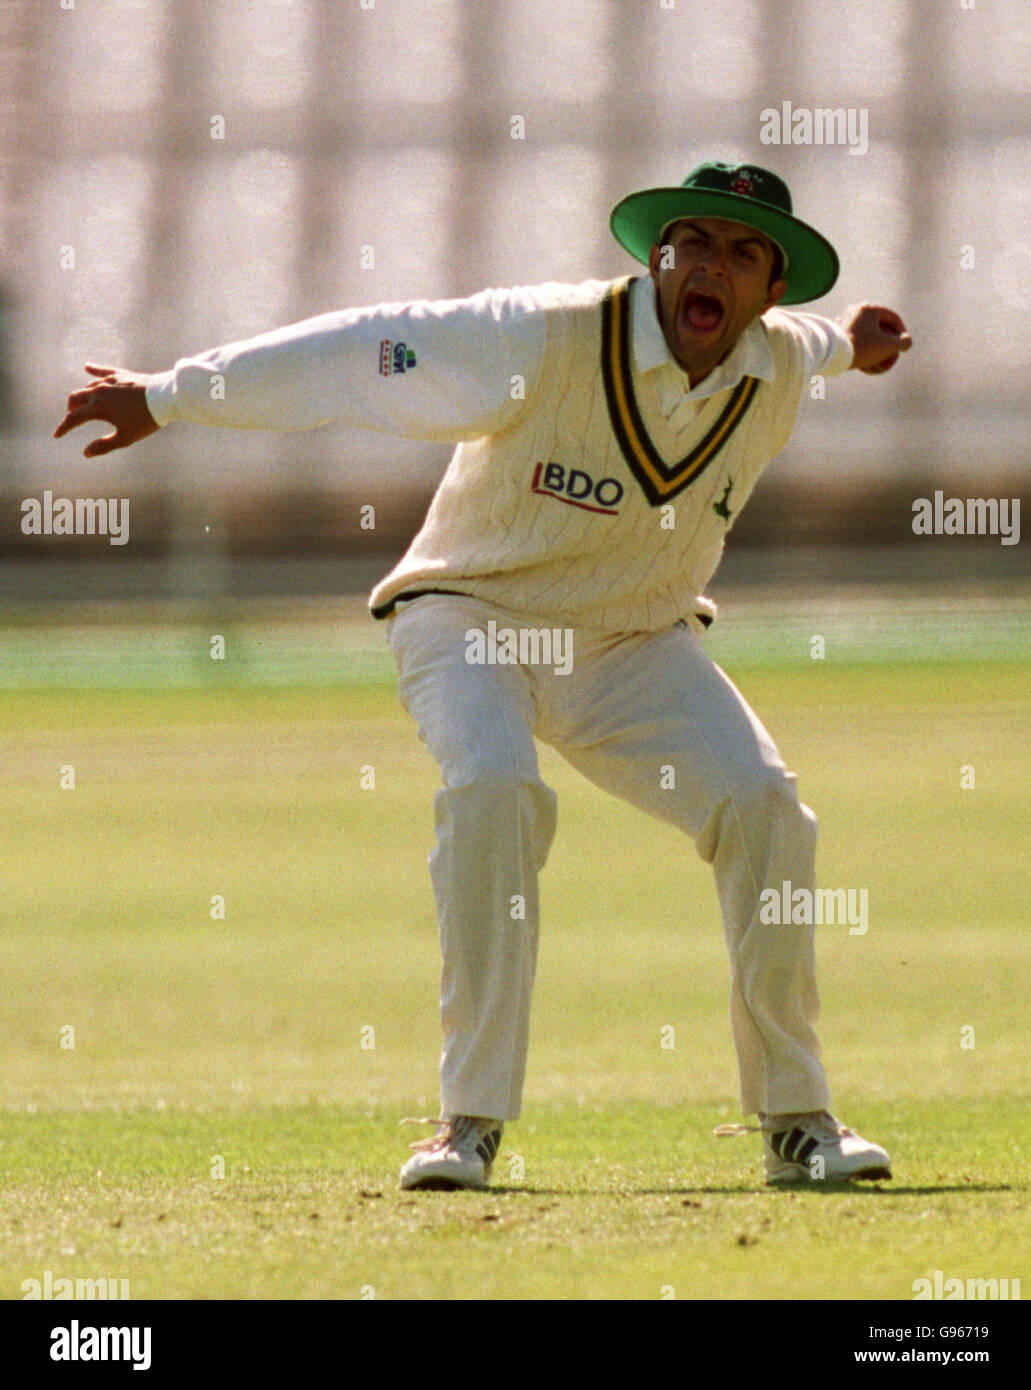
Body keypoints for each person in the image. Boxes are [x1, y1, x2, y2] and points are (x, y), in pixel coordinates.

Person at [54, 160, 912, 1191]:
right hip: (471, 615)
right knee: (496, 786)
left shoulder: (779, 352)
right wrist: (170, 395)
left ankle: (796, 1119)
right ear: (654, 258)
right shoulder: (541, 335)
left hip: (631, 642)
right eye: (691, 241)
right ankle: (467, 1123)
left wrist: (860, 344)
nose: (710, 265)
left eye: (741, 252)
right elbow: (363, 350)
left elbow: (830, 345)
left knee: (767, 805)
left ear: (770, 291)